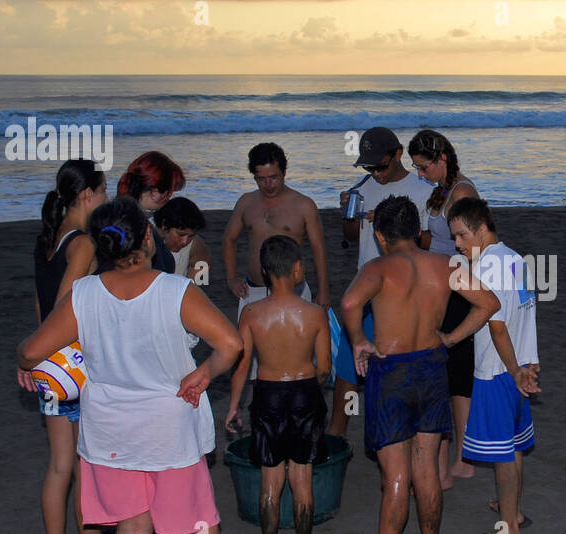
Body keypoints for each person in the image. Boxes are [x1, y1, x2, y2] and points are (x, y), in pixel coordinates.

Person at [17, 197, 263, 534]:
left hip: (109, 433)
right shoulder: (174, 291)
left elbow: (31, 351)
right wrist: (203, 374)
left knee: (131, 529)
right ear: (147, 237)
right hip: (170, 429)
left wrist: (31, 365)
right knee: (201, 526)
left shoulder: (84, 295)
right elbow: (229, 343)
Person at [339, 196, 498, 534]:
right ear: (419, 234)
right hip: (430, 367)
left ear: (380, 235)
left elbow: (348, 302)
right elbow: (488, 303)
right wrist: (450, 339)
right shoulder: (445, 265)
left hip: (391, 371)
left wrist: (359, 340)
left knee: (396, 475)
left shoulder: (378, 267)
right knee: (427, 468)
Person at [21, 159, 117, 534]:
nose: (109, 197)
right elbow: (65, 307)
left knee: (60, 465)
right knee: (85, 467)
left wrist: (33, 357)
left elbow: (41, 308)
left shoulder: (48, 241)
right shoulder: (82, 244)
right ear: (87, 196)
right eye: (104, 189)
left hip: (49, 364)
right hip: (74, 363)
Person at [225, 236, 331, 534]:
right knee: (302, 476)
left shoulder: (252, 312)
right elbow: (325, 367)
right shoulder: (314, 314)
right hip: (304, 393)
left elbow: (242, 365)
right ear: (298, 268)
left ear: (265, 272)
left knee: (270, 479)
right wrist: (310, 388)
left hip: (267, 394)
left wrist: (233, 406)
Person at [447, 198, 540, 534]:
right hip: (521, 365)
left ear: (482, 229)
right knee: (514, 447)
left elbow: (497, 326)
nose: (457, 244)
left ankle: (508, 531)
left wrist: (514, 369)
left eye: (461, 235)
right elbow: (527, 312)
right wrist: (528, 363)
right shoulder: (516, 258)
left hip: (499, 370)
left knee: (501, 454)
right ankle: (513, 513)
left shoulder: (487, 266)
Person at [330, 127, 434, 439]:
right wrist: (349, 217)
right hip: (367, 289)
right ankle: (338, 432)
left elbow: (429, 244)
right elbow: (350, 238)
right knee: (348, 369)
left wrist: (393, 224)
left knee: (397, 368)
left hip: (406, 293)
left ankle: (406, 435)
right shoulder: (363, 187)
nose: (375, 174)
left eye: (381, 166)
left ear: (398, 155)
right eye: (369, 167)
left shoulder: (423, 190)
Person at [410, 129, 481, 490]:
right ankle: (448, 455)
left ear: (441, 159)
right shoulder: (441, 190)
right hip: (439, 286)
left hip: (456, 289)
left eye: (424, 167)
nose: (420, 174)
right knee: (444, 369)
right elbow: (436, 241)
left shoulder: (462, 192)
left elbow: (475, 248)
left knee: (458, 374)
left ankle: (464, 459)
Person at [223, 141, 329, 312]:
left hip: (294, 290)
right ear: (254, 177)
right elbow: (229, 239)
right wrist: (231, 278)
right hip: (253, 289)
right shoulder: (246, 202)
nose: (268, 184)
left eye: (274, 177)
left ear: (284, 173)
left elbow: (319, 248)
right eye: (261, 179)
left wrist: (323, 290)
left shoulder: (304, 205)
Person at [116, 150, 185, 273]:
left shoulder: (113, 216)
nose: (169, 198)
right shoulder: (139, 228)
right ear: (155, 193)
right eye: (169, 193)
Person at [155, 197, 213, 282]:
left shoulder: (194, 243)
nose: (185, 241)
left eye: (190, 236)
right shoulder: (144, 240)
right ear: (165, 225)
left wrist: (190, 284)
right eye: (181, 234)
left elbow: (205, 263)